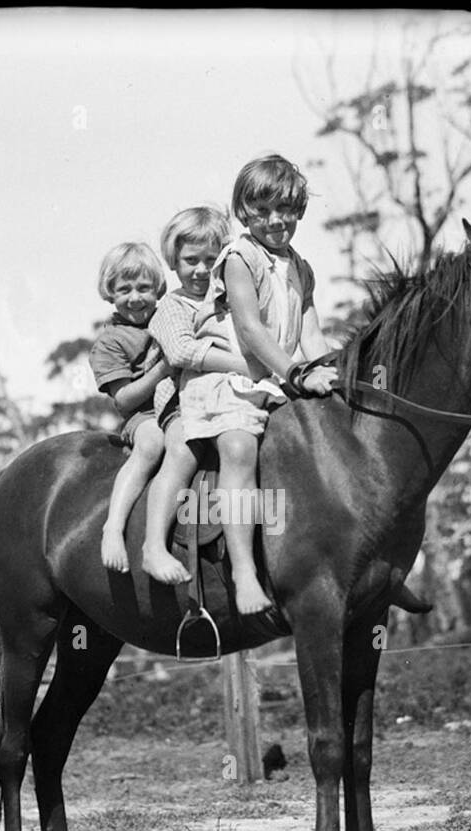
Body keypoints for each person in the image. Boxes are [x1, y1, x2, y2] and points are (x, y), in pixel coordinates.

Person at [184, 154, 336, 614]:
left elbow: (311, 335)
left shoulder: (301, 267)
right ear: (244, 213)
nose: (276, 221)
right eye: (263, 211)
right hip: (232, 379)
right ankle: (244, 573)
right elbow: (250, 329)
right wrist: (295, 373)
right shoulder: (239, 258)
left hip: (279, 380)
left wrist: (335, 372)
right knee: (239, 448)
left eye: (287, 210)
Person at [142, 206, 255, 584]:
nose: (202, 270)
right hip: (181, 402)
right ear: (174, 262)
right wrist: (244, 365)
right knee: (181, 450)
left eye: (212, 259)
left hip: (231, 398)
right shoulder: (170, 307)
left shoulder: (229, 300)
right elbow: (181, 352)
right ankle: (153, 545)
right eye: (191, 260)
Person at [90, 242, 178, 572]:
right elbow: (123, 399)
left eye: (143, 288)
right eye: (124, 290)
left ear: (158, 289)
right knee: (153, 442)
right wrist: (162, 370)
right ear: (109, 293)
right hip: (145, 415)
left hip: (183, 406)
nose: (135, 298)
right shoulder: (111, 340)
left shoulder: (170, 318)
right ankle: (113, 526)